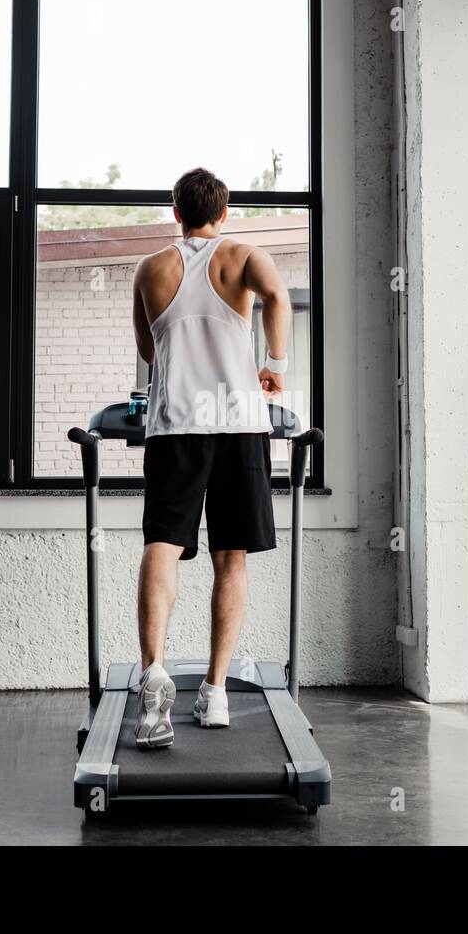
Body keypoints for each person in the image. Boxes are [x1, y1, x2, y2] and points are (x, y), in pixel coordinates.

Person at [129, 167, 293, 749]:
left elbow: (148, 348)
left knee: (162, 547)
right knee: (232, 559)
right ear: (223, 213)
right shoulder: (244, 255)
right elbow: (278, 297)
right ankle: (216, 691)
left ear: (176, 211)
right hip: (238, 426)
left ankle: (154, 674)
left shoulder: (151, 268)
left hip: (175, 428)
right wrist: (274, 363)